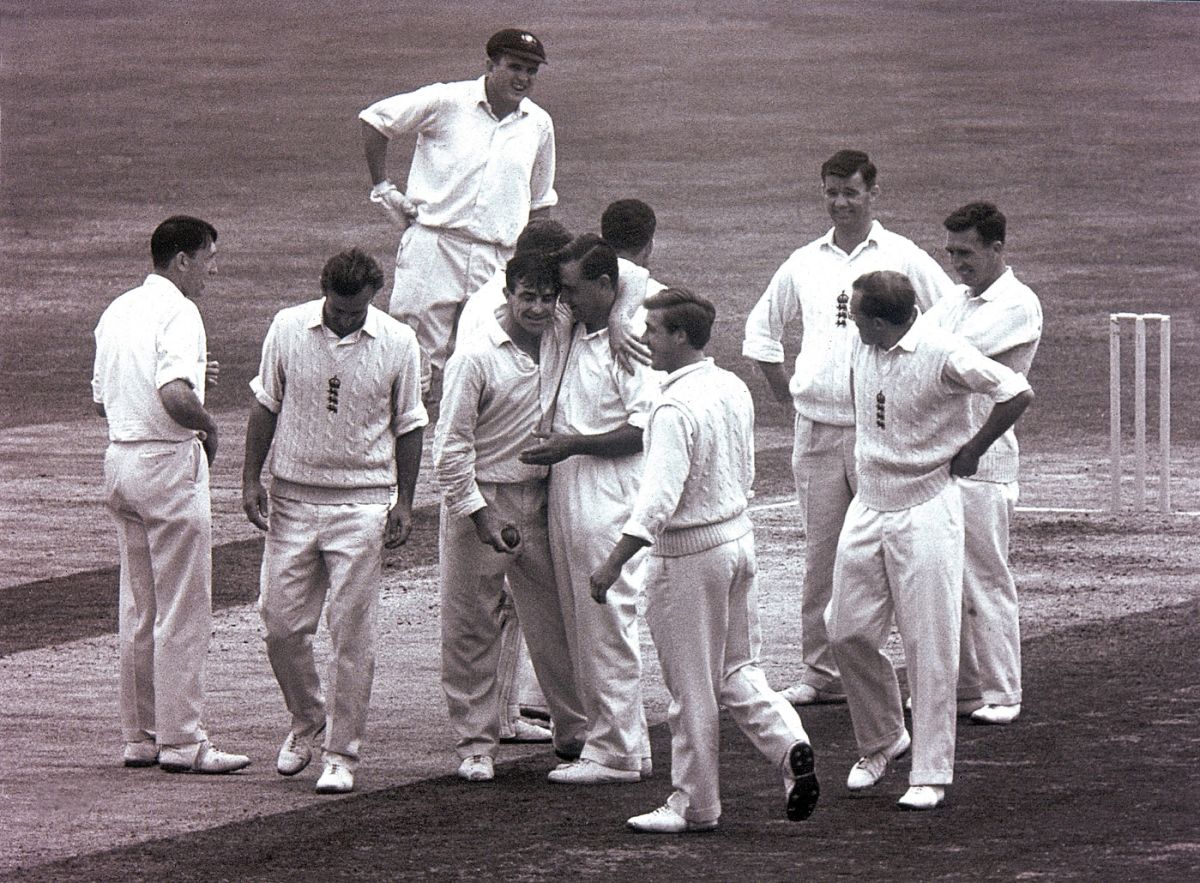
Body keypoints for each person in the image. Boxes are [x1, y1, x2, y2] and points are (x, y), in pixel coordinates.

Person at [591, 287, 820, 834]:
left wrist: (611, 565)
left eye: (653, 330)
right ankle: (790, 746)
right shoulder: (731, 384)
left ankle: (694, 804)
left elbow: (656, 502)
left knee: (691, 687)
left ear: (680, 336)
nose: (645, 338)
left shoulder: (672, 406)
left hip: (689, 557)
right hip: (738, 542)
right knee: (737, 670)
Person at [742, 149, 957, 707]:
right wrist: (790, 399)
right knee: (823, 554)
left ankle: (916, 677)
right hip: (815, 431)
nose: (840, 202)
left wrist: (919, 393)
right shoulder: (803, 261)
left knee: (897, 553)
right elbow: (760, 335)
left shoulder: (904, 256)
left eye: (851, 193)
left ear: (873, 194)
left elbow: (949, 318)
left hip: (881, 436)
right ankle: (821, 674)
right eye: (831, 192)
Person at [828, 270, 1033, 811]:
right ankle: (883, 740)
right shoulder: (862, 338)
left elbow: (1015, 391)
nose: (850, 322)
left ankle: (931, 771)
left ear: (880, 319)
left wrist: (973, 451)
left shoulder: (945, 352)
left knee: (929, 642)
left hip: (927, 507)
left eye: (858, 315)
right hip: (869, 503)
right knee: (845, 629)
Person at [242, 248, 427, 795]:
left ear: (373, 297)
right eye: (338, 309)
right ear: (324, 290)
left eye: (357, 311)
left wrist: (405, 502)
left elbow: (410, 423)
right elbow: (265, 404)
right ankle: (307, 718)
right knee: (280, 625)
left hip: (363, 502)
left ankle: (342, 753)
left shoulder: (399, 340)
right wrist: (251, 479)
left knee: (351, 633)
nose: (346, 319)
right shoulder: (287, 326)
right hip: (292, 498)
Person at [91, 215, 250, 775]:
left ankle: (141, 736)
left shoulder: (118, 309)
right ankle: (184, 742)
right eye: (209, 258)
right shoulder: (181, 312)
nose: (214, 269)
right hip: (166, 461)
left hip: (121, 461)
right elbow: (175, 394)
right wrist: (209, 425)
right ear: (181, 260)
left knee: (139, 606)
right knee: (182, 607)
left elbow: (101, 402)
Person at [434, 250, 589, 782]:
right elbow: (450, 448)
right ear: (507, 294)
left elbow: (629, 283)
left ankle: (575, 732)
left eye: (548, 298)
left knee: (557, 618)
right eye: (528, 297)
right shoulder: (475, 358)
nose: (539, 308)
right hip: (482, 500)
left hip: (543, 498)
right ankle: (475, 745)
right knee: (471, 626)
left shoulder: (563, 331)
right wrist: (477, 516)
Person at [519, 234, 658, 785]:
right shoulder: (572, 328)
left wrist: (572, 444)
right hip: (571, 492)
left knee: (606, 623)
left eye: (574, 289)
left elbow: (641, 430)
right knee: (584, 625)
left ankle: (619, 754)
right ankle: (620, 743)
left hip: (609, 496)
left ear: (606, 285)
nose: (562, 299)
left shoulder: (633, 345)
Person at [359, 28, 557, 401]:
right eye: (515, 67)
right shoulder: (447, 100)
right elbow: (376, 120)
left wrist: (534, 265)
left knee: (490, 365)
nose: (523, 79)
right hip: (434, 246)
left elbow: (541, 203)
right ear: (489, 65)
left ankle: (465, 456)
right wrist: (383, 188)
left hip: (498, 257)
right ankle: (400, 456)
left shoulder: (539, 124)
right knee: (412, 365)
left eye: (531, 71)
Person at [927, 203, 1043, 726]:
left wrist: (917, 344)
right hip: (946, 453)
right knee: (944, 576)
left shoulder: (1019, 304)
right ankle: (964, 688)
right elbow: (922, 344)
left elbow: (944, 354)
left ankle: (1003, 691)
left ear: (997, 248)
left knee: (984, 577)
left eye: (966, 252)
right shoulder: (954, 298)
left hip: (987, 456)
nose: (956, 262)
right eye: (951, 252)